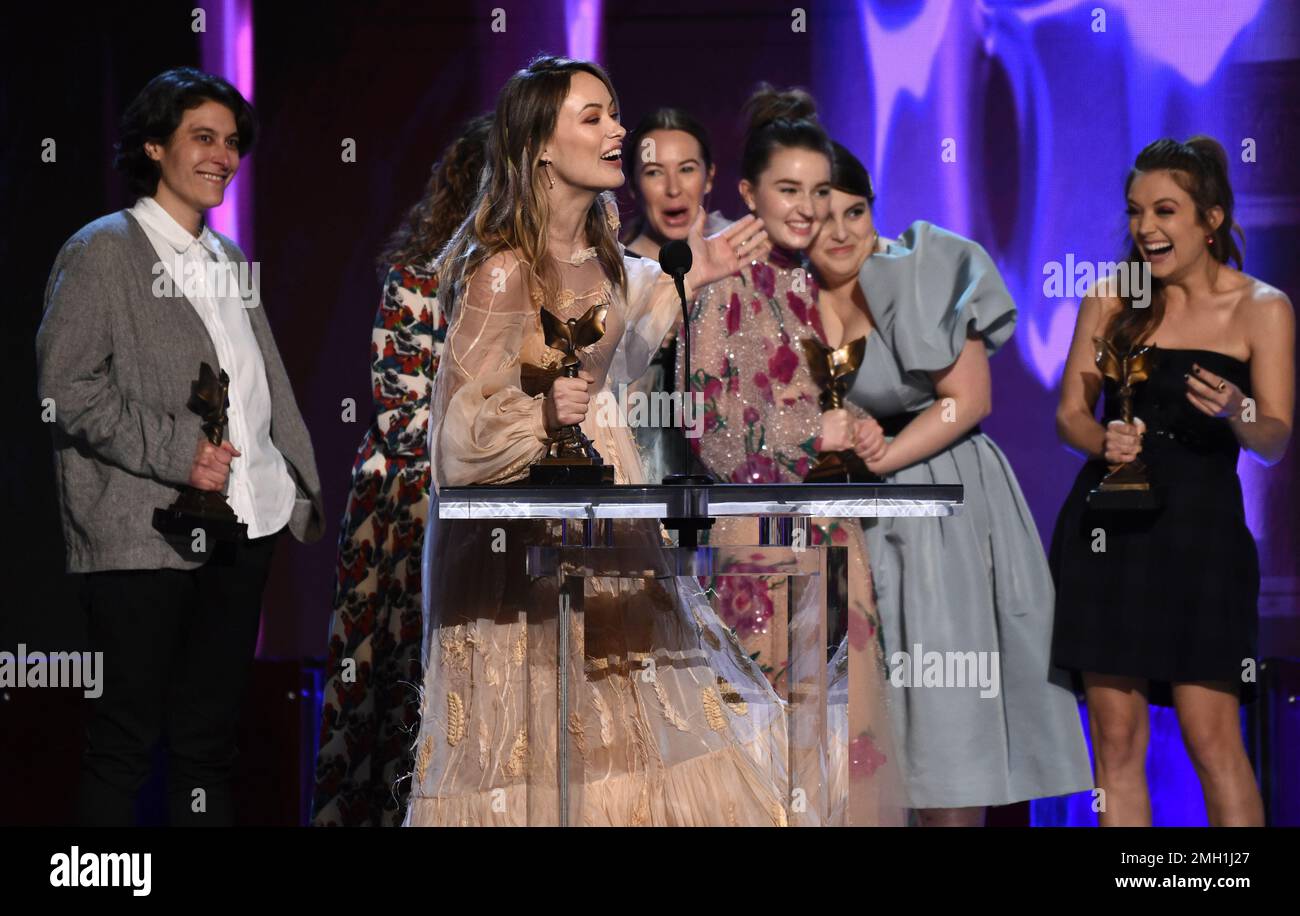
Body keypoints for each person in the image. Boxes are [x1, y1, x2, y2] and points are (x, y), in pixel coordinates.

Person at [404, 55, 789, 826]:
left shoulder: (611, 258)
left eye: (617, 114)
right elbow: (456, 438)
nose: (622, 132)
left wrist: (697, 274)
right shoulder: (503, 274)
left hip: (609, 512)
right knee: (543, 745)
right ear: (542, 145)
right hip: (518, 543)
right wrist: (542, 416)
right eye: (596, 117)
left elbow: (625, 347)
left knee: (633, 734)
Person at [35, 67, 325, 826]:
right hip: (140, 535)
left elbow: (260, 386)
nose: (222, 156)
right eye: (203, 138)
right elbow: (64, 389)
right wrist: (176, 451)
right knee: (125, 742)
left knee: (208, 745)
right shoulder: (102, 252)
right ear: (154, 146)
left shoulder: (228, 259)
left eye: (232, 143)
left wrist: (289, 482)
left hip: (243, 528)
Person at [808, 141, 1092, 826]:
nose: (843, 232)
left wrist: (885, 456)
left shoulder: (927, 269)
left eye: (857, 212)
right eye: (824, 215)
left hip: (940, 495)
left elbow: (970, 399)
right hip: (842, 512)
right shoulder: (778, 295)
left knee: (946, 706)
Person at [1050, 136, 1293, 827]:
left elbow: (1274, 439)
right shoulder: (1110, 299)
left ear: (1211, 219)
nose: (1146, 229)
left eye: (1165, 211)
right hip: (1108, 536)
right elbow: (1070, 413)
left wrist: (1237, 408)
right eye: (1135, 212)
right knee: (1117, 745)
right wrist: (1104, 439)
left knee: (1212, 738)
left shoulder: (1262, 307)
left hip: (1202, 539)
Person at [684, 87, 906, 825]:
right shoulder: (721, 284)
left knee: (845, 755)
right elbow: (711, 434)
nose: (807, 208)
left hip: (835, 534)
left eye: (818, 190)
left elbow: (827, 402)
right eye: (788, 190)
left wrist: (859, 428)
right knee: (763, 754)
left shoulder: (818, 285)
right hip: (757, 543)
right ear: (748, 192)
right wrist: (818, 435)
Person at [312, 114, 491, 827]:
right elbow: (403, 413)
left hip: (489, 505)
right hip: (410, 512)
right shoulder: (419, 279)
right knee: (400, 693)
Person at [621, 108, 726, 482]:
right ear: (632, 185)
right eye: (653, 172)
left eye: (687, 169)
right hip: (642, 472)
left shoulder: (735, 256)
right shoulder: (612, 271)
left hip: (726, 477)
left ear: (709, 176)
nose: (673, 188)